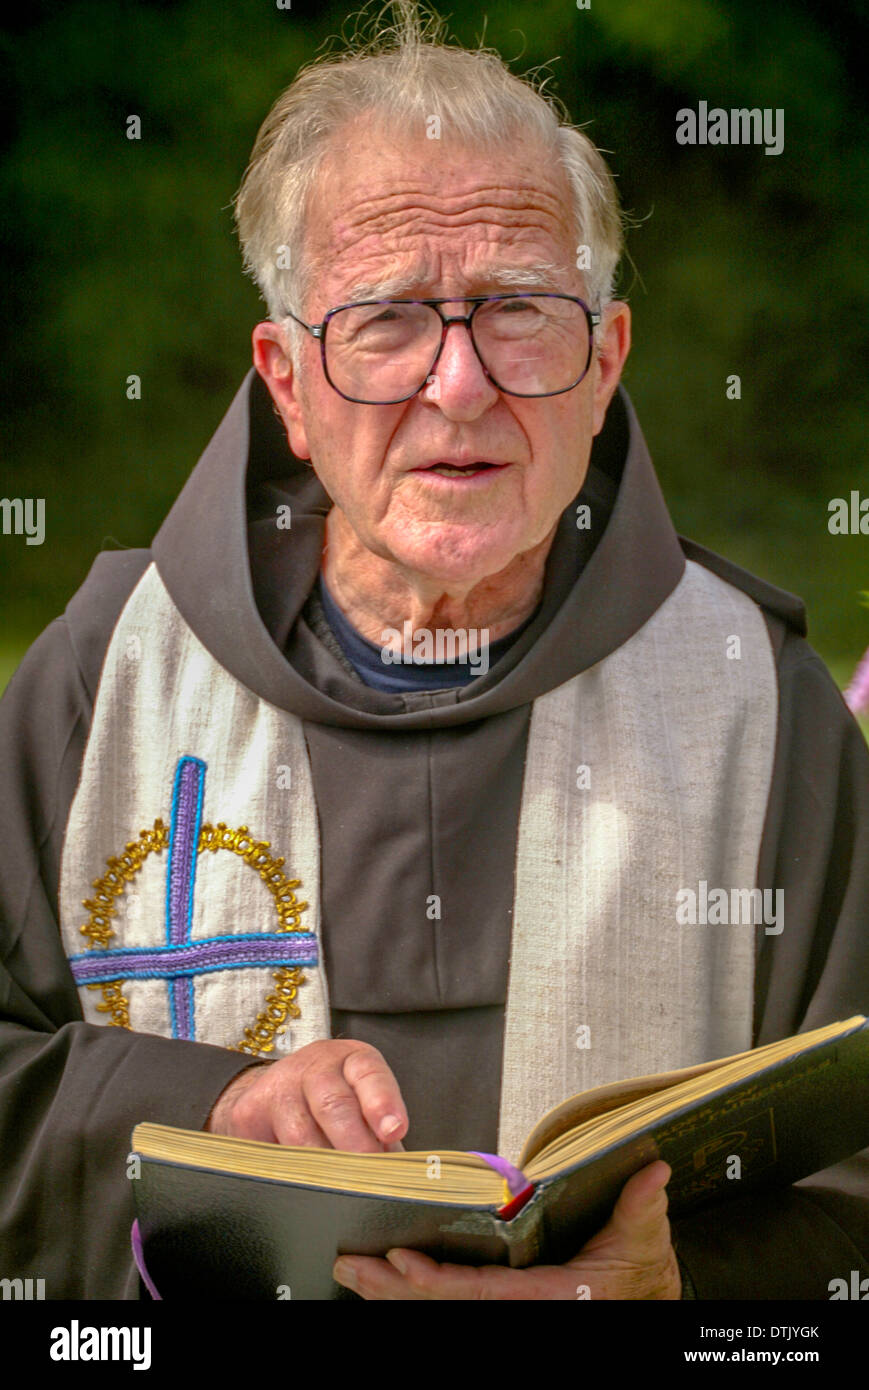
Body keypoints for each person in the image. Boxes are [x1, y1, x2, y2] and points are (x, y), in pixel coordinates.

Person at [1, 3, 867, 1301]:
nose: (458, 386)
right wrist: (209, 1114)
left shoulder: (762, 712)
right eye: (389, 318)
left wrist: (661, 1294)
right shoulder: (100, 685)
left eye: (518, 310)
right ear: (286, 379)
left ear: (604, 362)